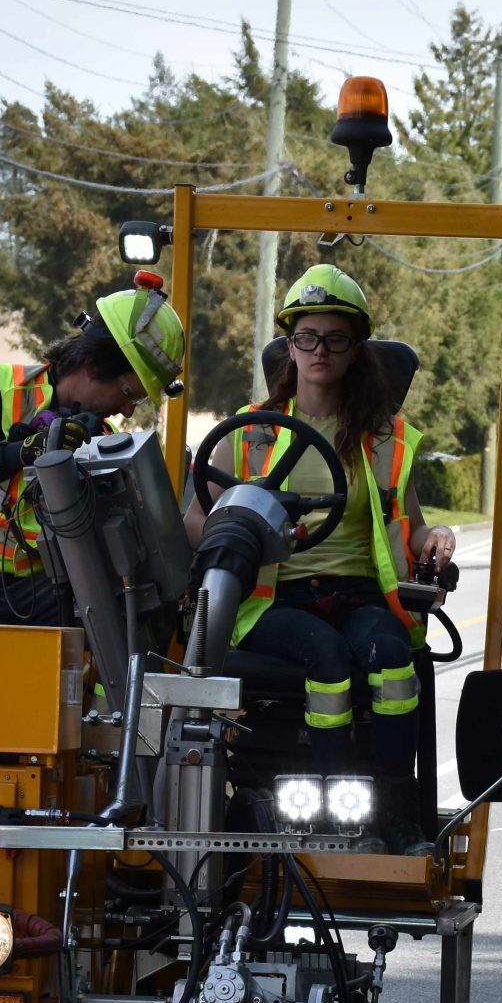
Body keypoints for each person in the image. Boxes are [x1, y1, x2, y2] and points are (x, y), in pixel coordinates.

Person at [195, 264, 456, 851]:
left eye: (335, 339)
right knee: (329, 658)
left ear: (355, 349)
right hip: (273, 600)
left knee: (392, 658)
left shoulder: (386, 438)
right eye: (306, 338)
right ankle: (341, 816)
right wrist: (231, 534)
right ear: (290, 345)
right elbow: (196, 522)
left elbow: (410, 527)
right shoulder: (249, 435)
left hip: (361, 593)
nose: (319, 351)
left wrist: (436, 535)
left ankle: (395, 816)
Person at [0, 276, 186, 680]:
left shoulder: (97, 441)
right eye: (130, 392)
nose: (128, 410)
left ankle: (117, 734)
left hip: (35, 597)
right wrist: (25, 451)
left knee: (130, 631)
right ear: (96, 364)